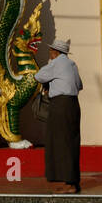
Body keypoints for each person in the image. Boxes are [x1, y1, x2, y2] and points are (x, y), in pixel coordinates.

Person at [35, 38, 83, 193]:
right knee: (71, 142)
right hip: (73, 105)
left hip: (60, 106)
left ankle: (70, 183)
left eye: (51, 51)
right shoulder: (71, 64)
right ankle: (72, 181)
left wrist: (51, 83)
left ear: (55, 52)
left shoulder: (56, 63)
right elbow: (79, 85)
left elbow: (39, 76)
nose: (50, 53)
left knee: (61, 143)